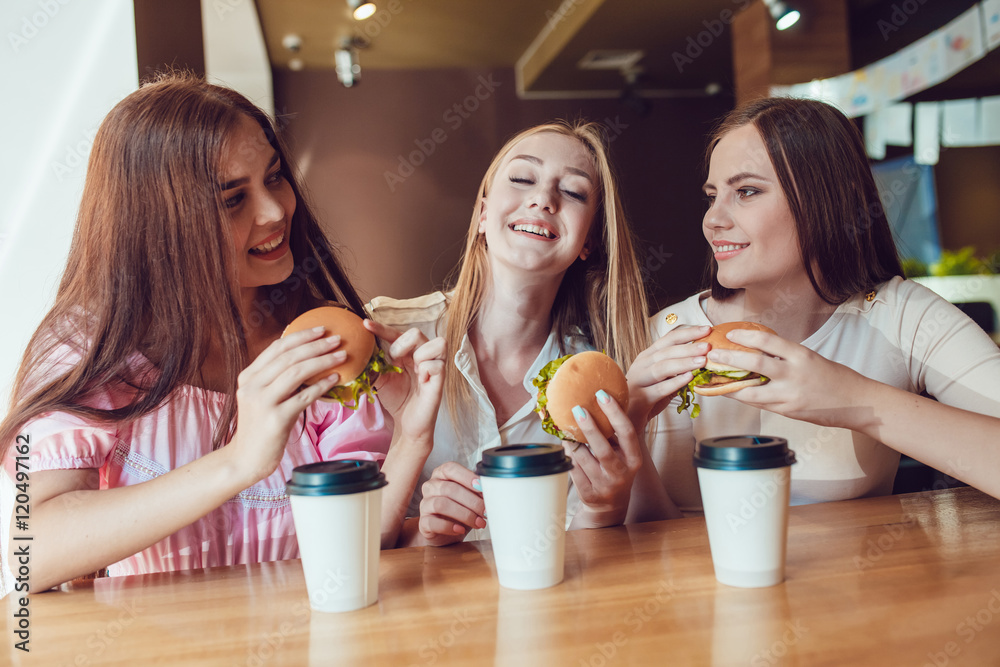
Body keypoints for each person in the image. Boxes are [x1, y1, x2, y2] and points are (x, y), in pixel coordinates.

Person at [0, 73, 445, 595]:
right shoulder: (87, 346)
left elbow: (356, 549)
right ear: (159, 224)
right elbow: (31, 555)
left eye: (274, 178)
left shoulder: (321, 345)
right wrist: (239, 460)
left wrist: (411, 437)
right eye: (233, 199)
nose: (276, 211)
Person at [628, 97, 1000, 514]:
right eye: (712, 196)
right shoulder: (668, 339)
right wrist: (629, 433)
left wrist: (853, 398)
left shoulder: (902, 316)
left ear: (827, 200)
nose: (712, 219)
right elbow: (643, 536)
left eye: (746, 191)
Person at [369, 120, 675, 547]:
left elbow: (619, 557)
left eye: (572, 192)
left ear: (588, 239)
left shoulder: (605, 376)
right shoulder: (387, 341)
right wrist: (419, 535)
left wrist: (604, 508)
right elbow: (339, 550)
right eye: (522, 178)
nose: (543, 198)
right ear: (481, 213)